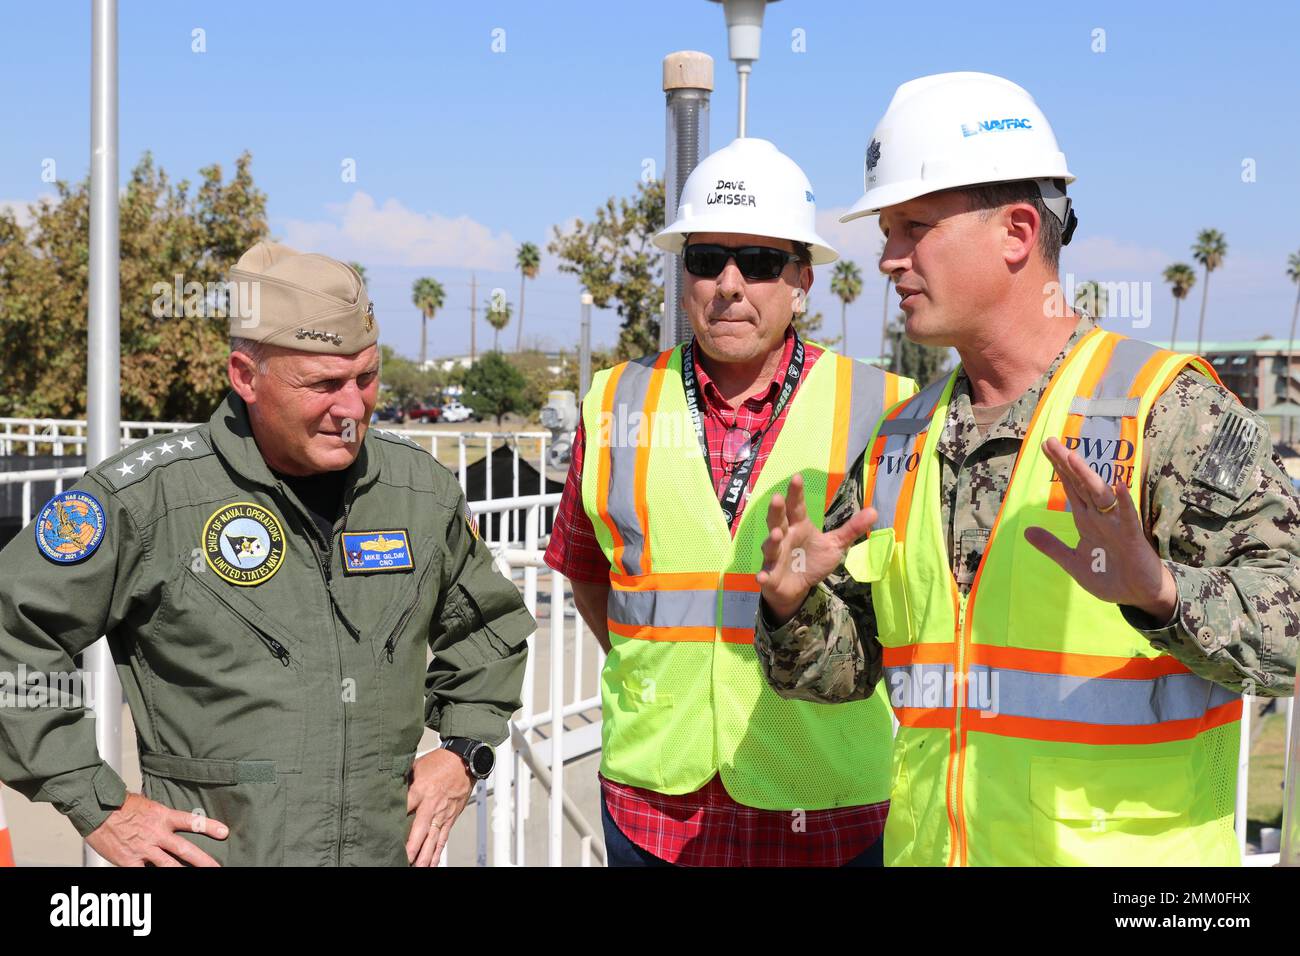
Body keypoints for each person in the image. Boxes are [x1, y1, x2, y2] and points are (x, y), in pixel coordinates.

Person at [754, 72, 1300, 866]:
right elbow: (850, 670)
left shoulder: (1164, 410)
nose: (887, 260)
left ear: (1015, 232)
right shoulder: (901, 439)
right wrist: (791, 609)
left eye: (912, 227)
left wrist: (1163, 594)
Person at [0, 241, 535, 866]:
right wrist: (96, 803)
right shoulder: (149, 501)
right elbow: (14, 633)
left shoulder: (419, 492)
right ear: (245, 377)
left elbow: (489, 628)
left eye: (367, 378)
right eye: (324, 384)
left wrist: (464, 753)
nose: (352, 409)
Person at [545, 137, 916, 866]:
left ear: (802, 278)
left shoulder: (887, 410)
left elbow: (914, 605)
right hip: (655, 805)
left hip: (828, 800)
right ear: (684, 274)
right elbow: (588, 572)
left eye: (762, 262)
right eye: (707, 259)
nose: (730, 283)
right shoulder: (617, 401)